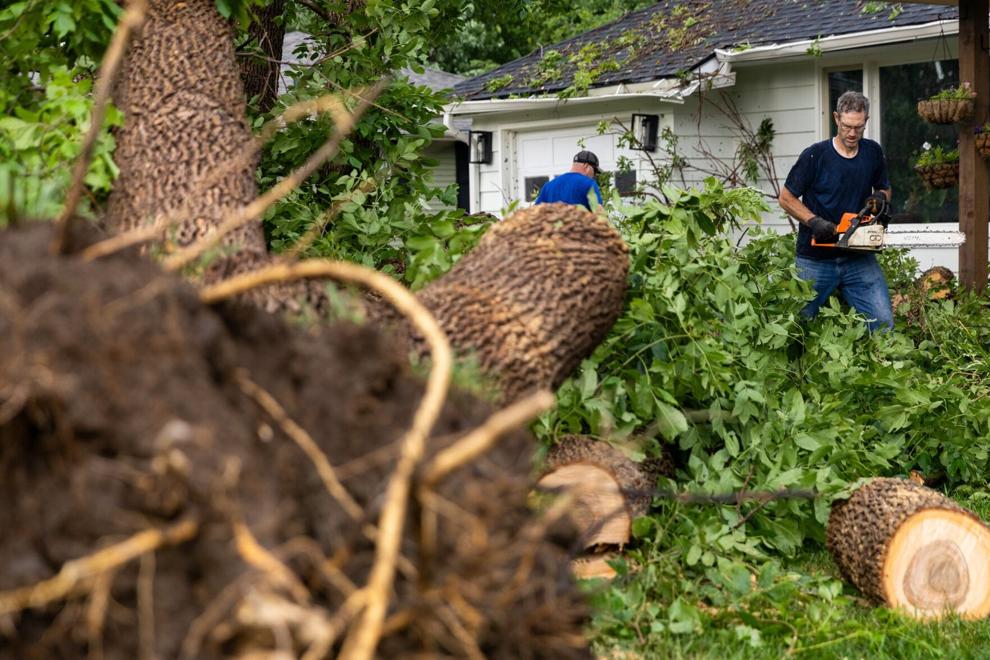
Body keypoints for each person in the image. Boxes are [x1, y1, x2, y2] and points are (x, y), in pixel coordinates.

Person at [779, 90, 894, 331]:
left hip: (858, 255)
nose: (852, 133)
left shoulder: (873, 152)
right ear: (836, 118)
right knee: (798, 325)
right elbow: (786, 198)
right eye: (847, 126)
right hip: (815, 258)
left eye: (858, 127)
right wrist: (814, 221)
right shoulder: (815, 155)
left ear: (866, 122)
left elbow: (884, 188)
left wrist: (880, 200)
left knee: (883, 322)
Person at [534, 150, 604, 210]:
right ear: (586, 166)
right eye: (594, 171)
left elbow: (535, 212)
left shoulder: (548, 186)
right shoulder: (589, 184)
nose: (594, 175)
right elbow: (599, 214)